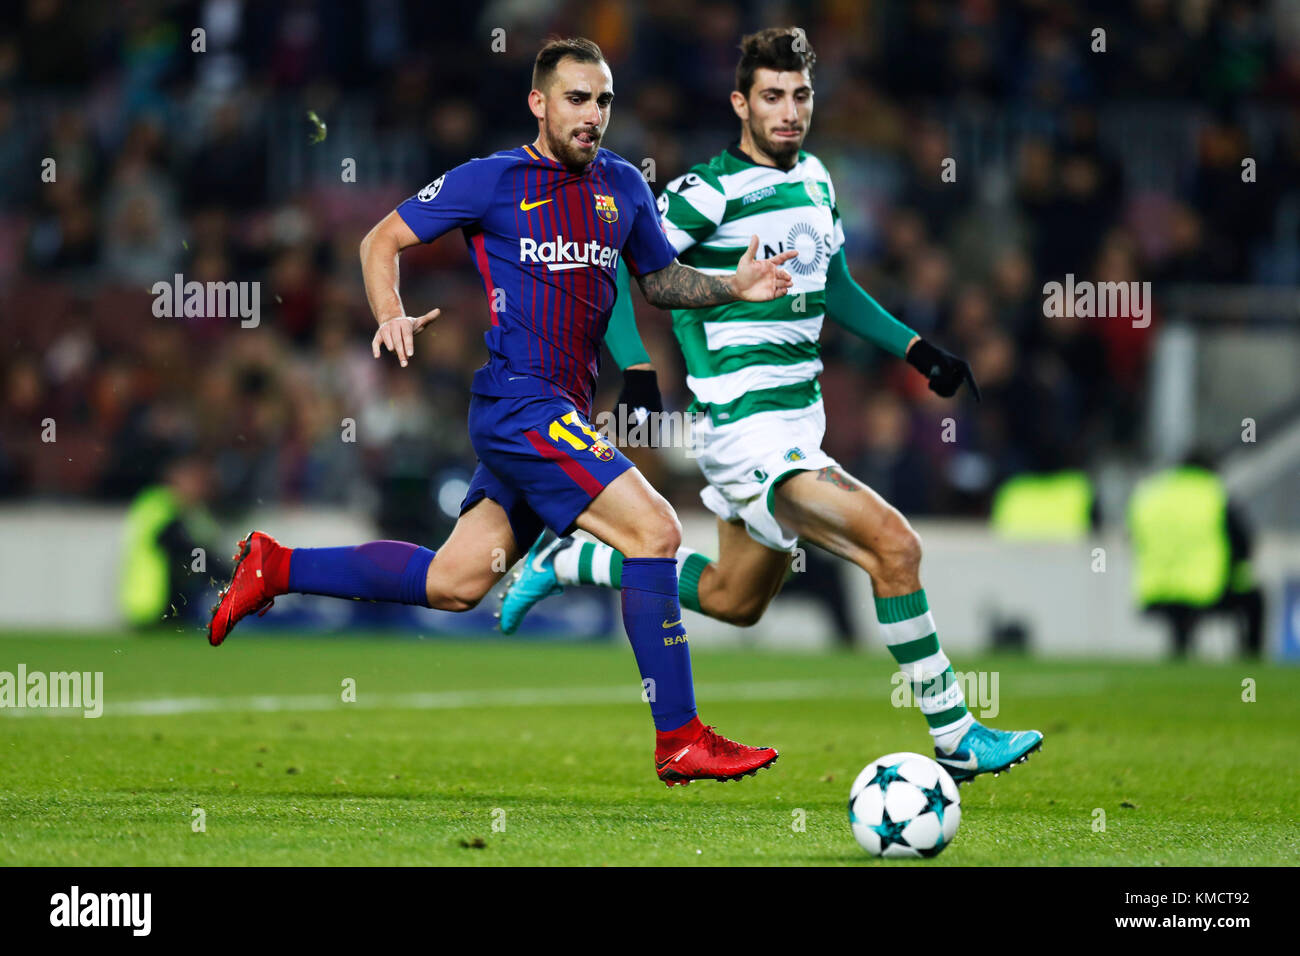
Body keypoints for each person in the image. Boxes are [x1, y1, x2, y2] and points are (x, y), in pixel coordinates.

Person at [206, 37, 799, 788]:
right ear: (539, 103)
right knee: (655, 531)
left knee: (456, 583)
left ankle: (276, 565)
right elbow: (381, 238)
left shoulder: (623, 185)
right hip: (520, 405)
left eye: (604, 100)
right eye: (578, 99)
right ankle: (679, 738)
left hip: (557, 410)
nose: (594, 115)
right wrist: (387, 313)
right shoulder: (492, 181)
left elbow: (661, 281)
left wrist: (731, 286)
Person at [500, 28, 1042, 784]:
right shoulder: (705, 193)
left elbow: (837, 286)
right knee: (896, 547)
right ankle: (955, 731)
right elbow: (616, 267)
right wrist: (634, 361)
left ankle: (578, 556)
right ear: (740, 103)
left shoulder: (817, 179)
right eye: (771, 96)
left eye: (800, 96)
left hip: (799, 422)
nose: (788, 112)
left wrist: (919, 350)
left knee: (734, 598)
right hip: (744, 430)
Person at [1128, 451, 1263, 657]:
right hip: (1204, 588)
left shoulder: (1151, 494)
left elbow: (1136, 538)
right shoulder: (1214, 494)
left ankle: (1180, 651)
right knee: (1254, 598)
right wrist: (1237, 573)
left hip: (1156, 590)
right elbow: (1242, 543)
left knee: (1181, 612)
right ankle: (1249, 658)